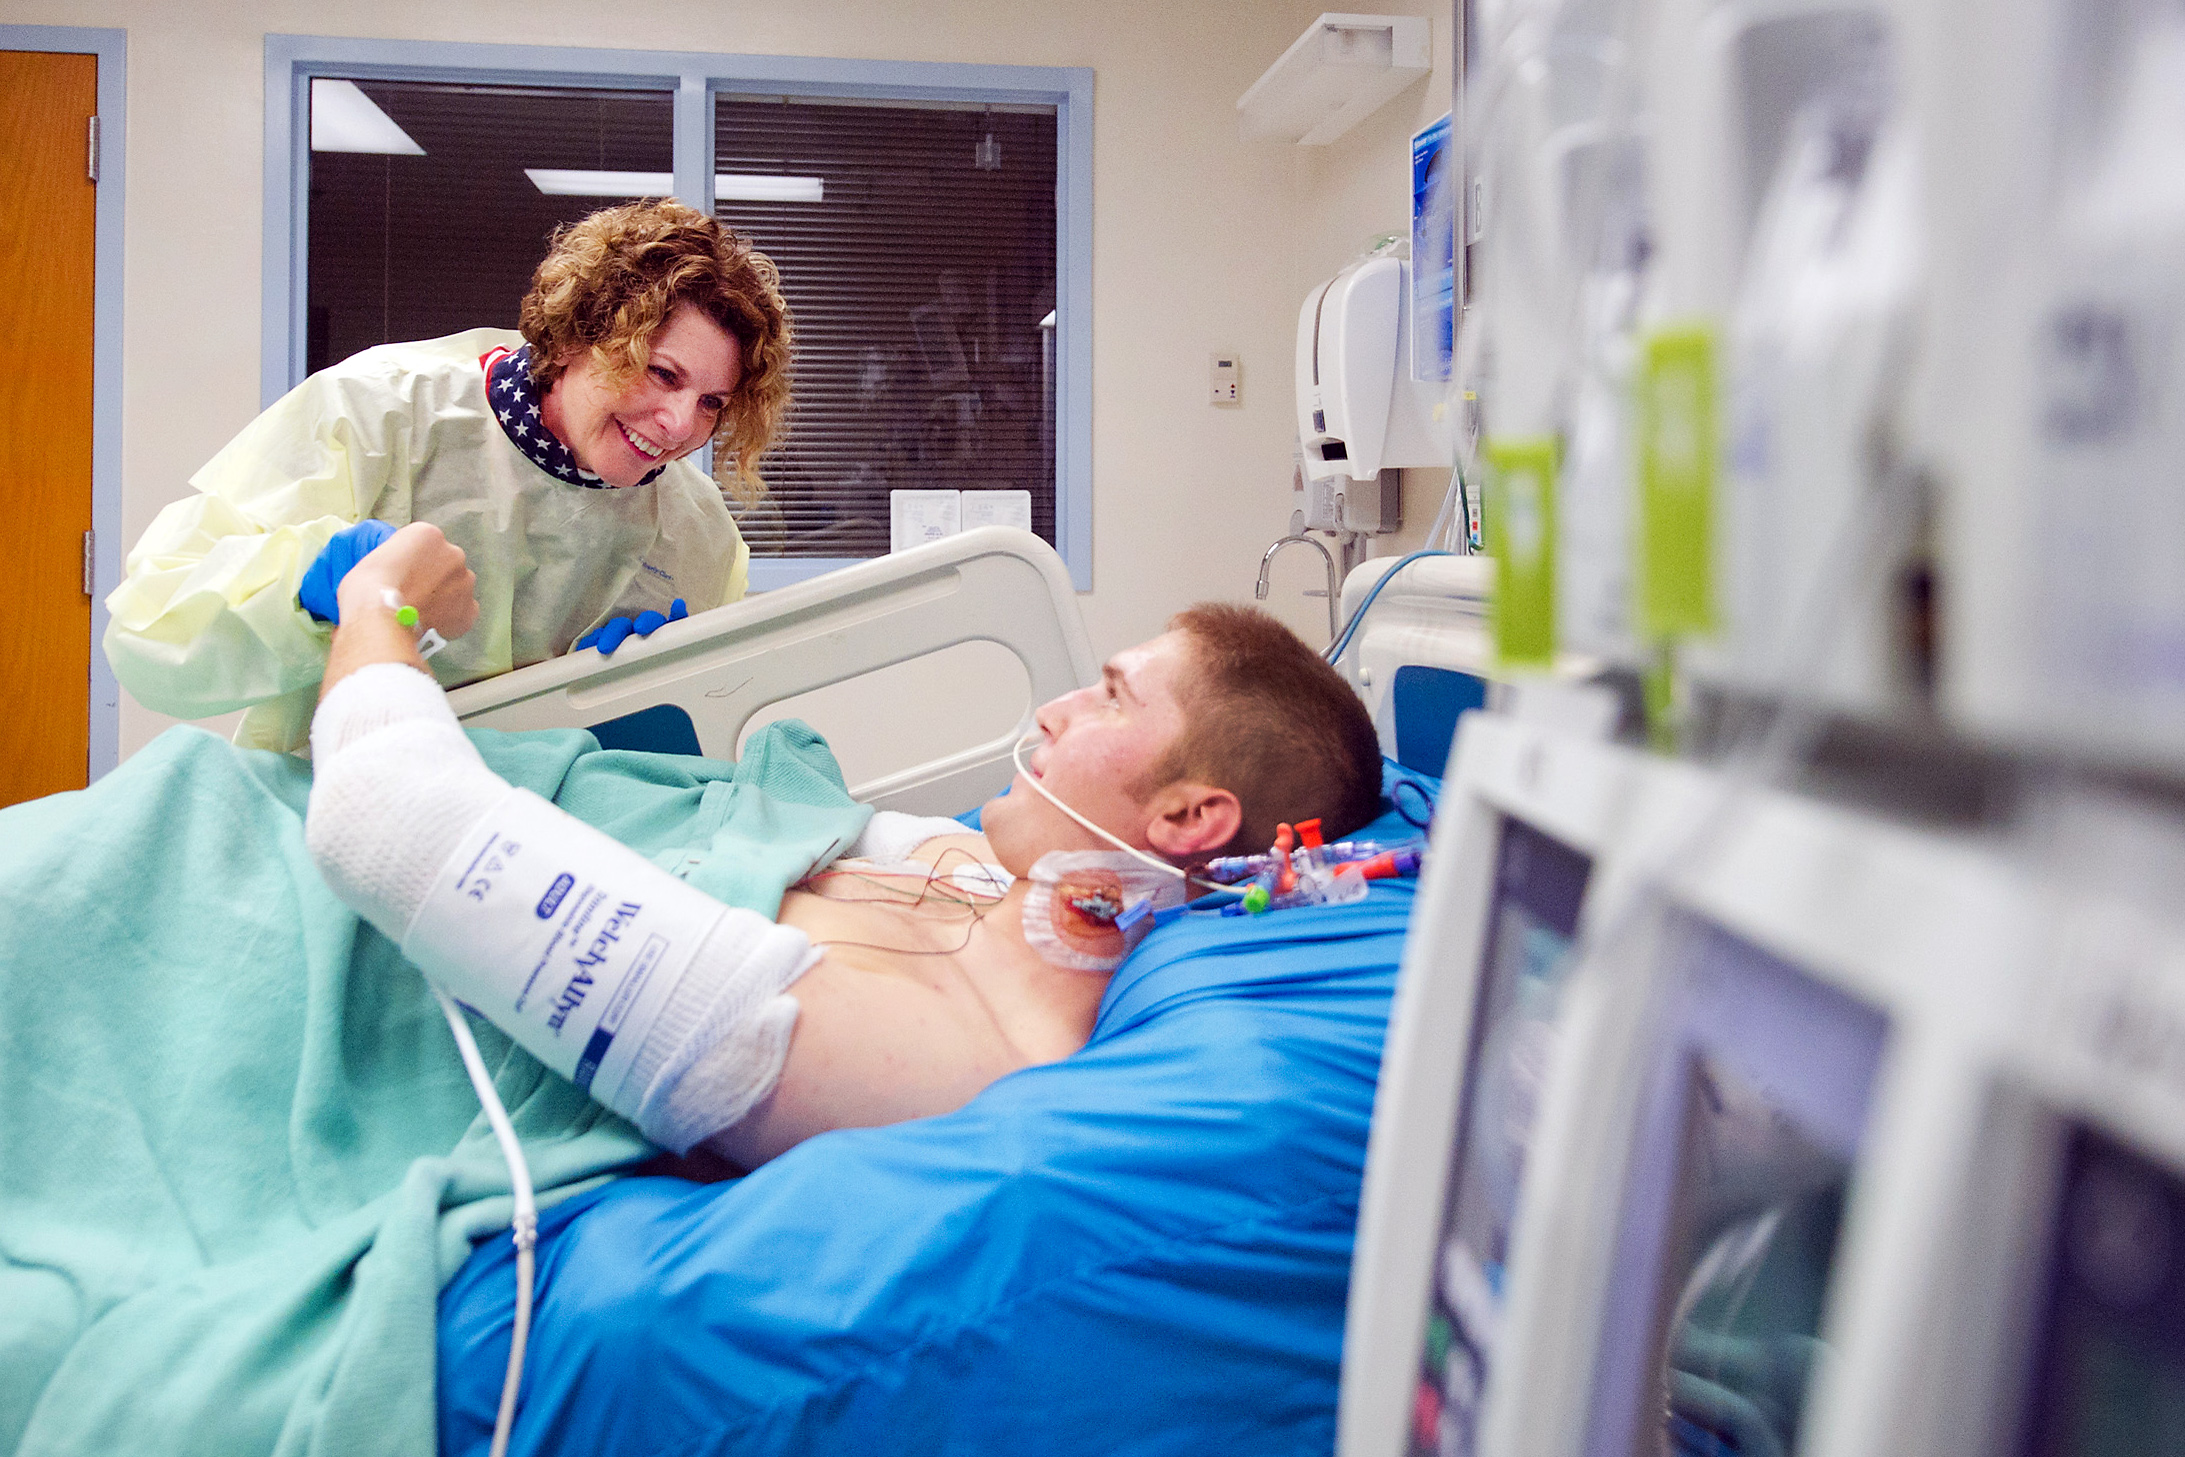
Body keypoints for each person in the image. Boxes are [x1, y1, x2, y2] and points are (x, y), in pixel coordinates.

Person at [304, 522, 1386, 1168]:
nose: (1055, 707)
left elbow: (386, 823)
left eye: (1109, 695)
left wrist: (380, 604)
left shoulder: (946, 1053)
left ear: (1190, 820)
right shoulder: (973, 869)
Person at [104, 198, 792, 752]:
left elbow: (712, 719)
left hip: (546, 837)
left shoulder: (696, 531)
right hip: (327, 802)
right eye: (662, 373)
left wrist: (656, 697)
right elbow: (149, 637)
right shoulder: (376, 414)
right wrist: (309, 589)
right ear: (578, 335)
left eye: (712, 402)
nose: (679, 424)